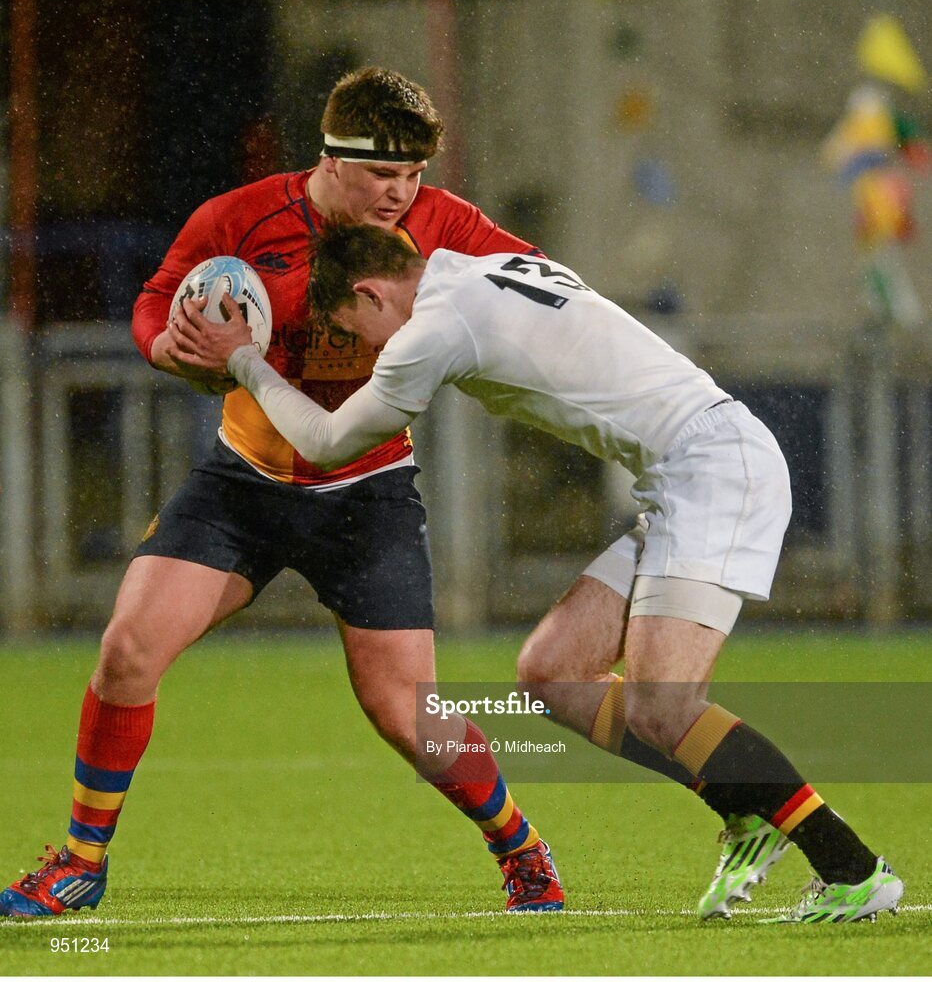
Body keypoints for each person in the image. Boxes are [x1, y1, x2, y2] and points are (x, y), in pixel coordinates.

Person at [165, 221, 905, 925]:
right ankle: (745, 807)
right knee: (552, 672)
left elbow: (326, 441)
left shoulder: (431, 329)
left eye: (356, 333)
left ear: (370, 293)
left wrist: (243, 362)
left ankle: (851, 868)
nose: (362, 351)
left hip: (713, 469)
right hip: (685, 471)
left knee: (664, 709)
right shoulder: (475, 270)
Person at [0, 68, 564, 918]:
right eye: (383, 175)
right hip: (244, 485)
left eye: (413, 175)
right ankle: (80, 864)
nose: (401, 194)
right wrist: (173, 350)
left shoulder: (441, 224)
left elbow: (541, 281)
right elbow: (156, 306)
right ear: (330, 159)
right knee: (127, 651)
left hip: (365, 494)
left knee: (408, 716)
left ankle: (520, 847)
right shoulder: (240, 218)